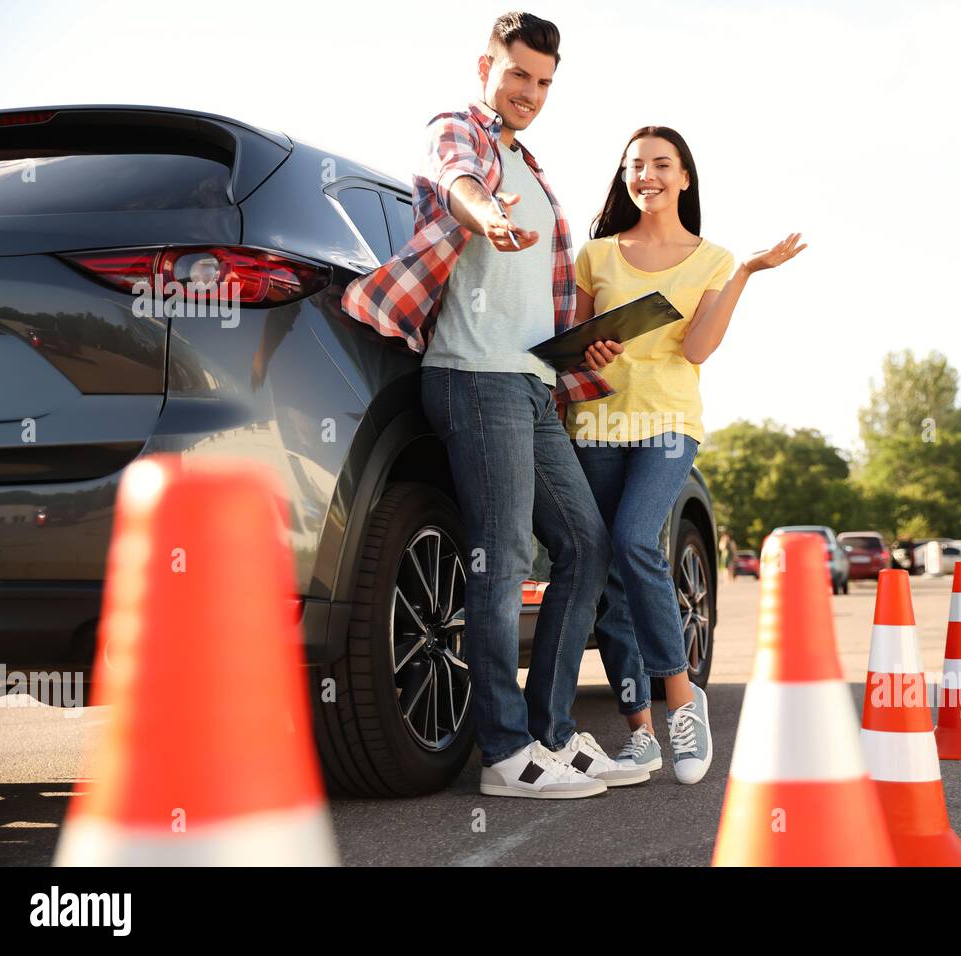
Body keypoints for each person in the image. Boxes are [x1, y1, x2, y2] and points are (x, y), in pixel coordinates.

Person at [342, 11, 641, 798]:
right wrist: (488, 212)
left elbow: (535, 299)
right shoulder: (459, 132)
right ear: (486, 68)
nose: (530, 93)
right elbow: (458, 183)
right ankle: (505, 753)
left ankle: (551, 733)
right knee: (501, 560)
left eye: (544, 82)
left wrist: (582, 345)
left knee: (586, 547)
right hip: (473, 377)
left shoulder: (532, 166)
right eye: (518, 75)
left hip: (532, 381)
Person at [565, 125, 806, 784]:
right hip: (597, 423)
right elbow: (572, 350)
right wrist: (591, 352)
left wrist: (750, 273)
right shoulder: (595, 256)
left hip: (669, 425)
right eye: (635, 165)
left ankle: (681, 700)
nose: (647, 174)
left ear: (685, 177)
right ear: (624, 176)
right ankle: (639, 734)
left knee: (636, 537)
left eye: (661, 164)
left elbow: (697, 349)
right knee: (613, 583)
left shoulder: (714, 260)